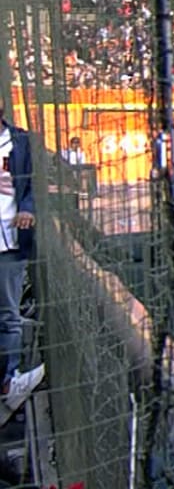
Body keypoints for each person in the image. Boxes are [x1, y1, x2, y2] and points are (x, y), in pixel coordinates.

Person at [0, 117, 46, 425]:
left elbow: (32, 184)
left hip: (10, 241)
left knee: (8, 318)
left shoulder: (21, 141)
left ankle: (9, 381)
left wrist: (28, 208)